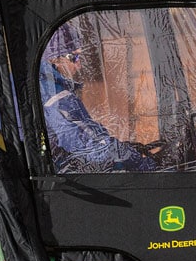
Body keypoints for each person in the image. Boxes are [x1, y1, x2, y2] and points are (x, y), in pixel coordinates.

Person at [39, 24, 157, 173]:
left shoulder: (48, 89)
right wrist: (143, 164)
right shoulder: (55, 98)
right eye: (74, 57)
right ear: (54, 59)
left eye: (80, 57)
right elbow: (92, 147)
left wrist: (127, 149)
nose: (79, 65)